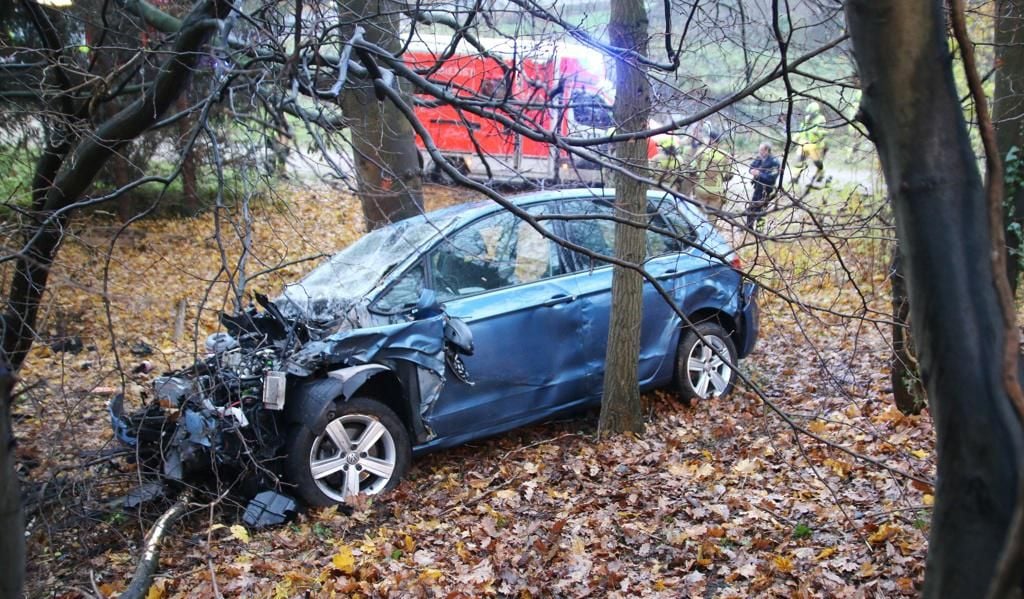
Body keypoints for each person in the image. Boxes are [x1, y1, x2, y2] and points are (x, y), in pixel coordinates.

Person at [747, 142, 779, 228]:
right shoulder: (759, 158)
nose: (760, 152)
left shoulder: (774, 162)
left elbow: (772, 177)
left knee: (762, 210)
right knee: (752, 207)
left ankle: (759, 230)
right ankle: (748, 226)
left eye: (761, 150)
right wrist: (752, 171)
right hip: (757, 187)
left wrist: (759, 174)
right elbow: (751, 167)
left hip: (766, 190)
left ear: (767, 150)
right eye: (759, 150)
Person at [795, 101, 828, 186]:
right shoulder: (807, 118)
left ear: (816, 112)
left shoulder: (821, 119)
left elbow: (824, 132)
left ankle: (821, 175)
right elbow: (801, 129)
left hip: (815, 145)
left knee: (817, 163)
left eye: (811, 113)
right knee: (799, 160)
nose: (810, 115)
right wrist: (796, 137)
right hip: (805, 143)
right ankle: (795, 177)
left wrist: (817, 132)